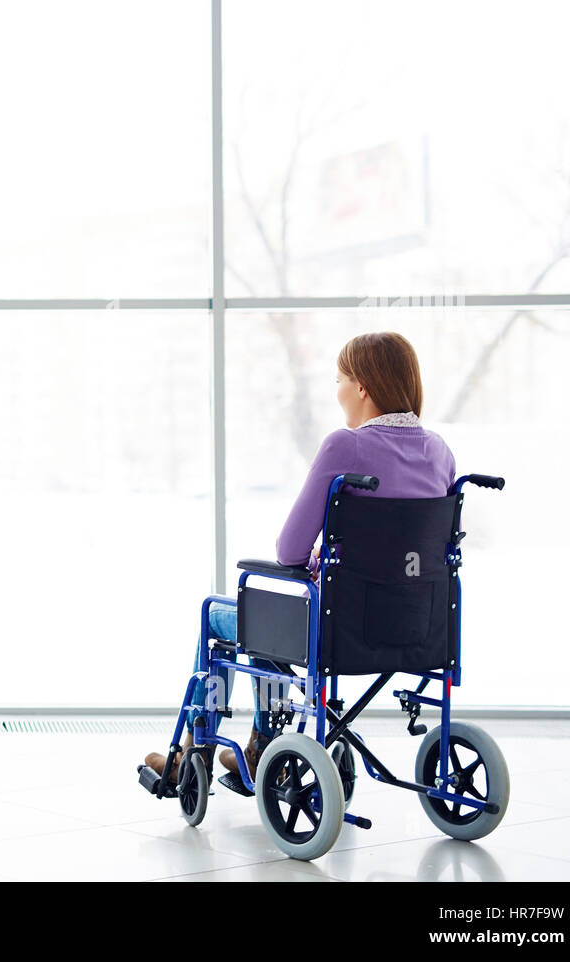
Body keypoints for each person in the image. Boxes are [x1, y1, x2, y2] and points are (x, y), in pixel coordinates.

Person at [144, 331, 456, 784]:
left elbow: (288, 551)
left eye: (340, 380)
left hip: (337, 629)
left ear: (362, 387)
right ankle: (258, 745)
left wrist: (319, 556)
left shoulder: (344, 446)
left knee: (221, 617)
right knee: (267, 623)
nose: (339, 392)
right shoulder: (440, 453)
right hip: (418, 628)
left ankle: (198, 753)